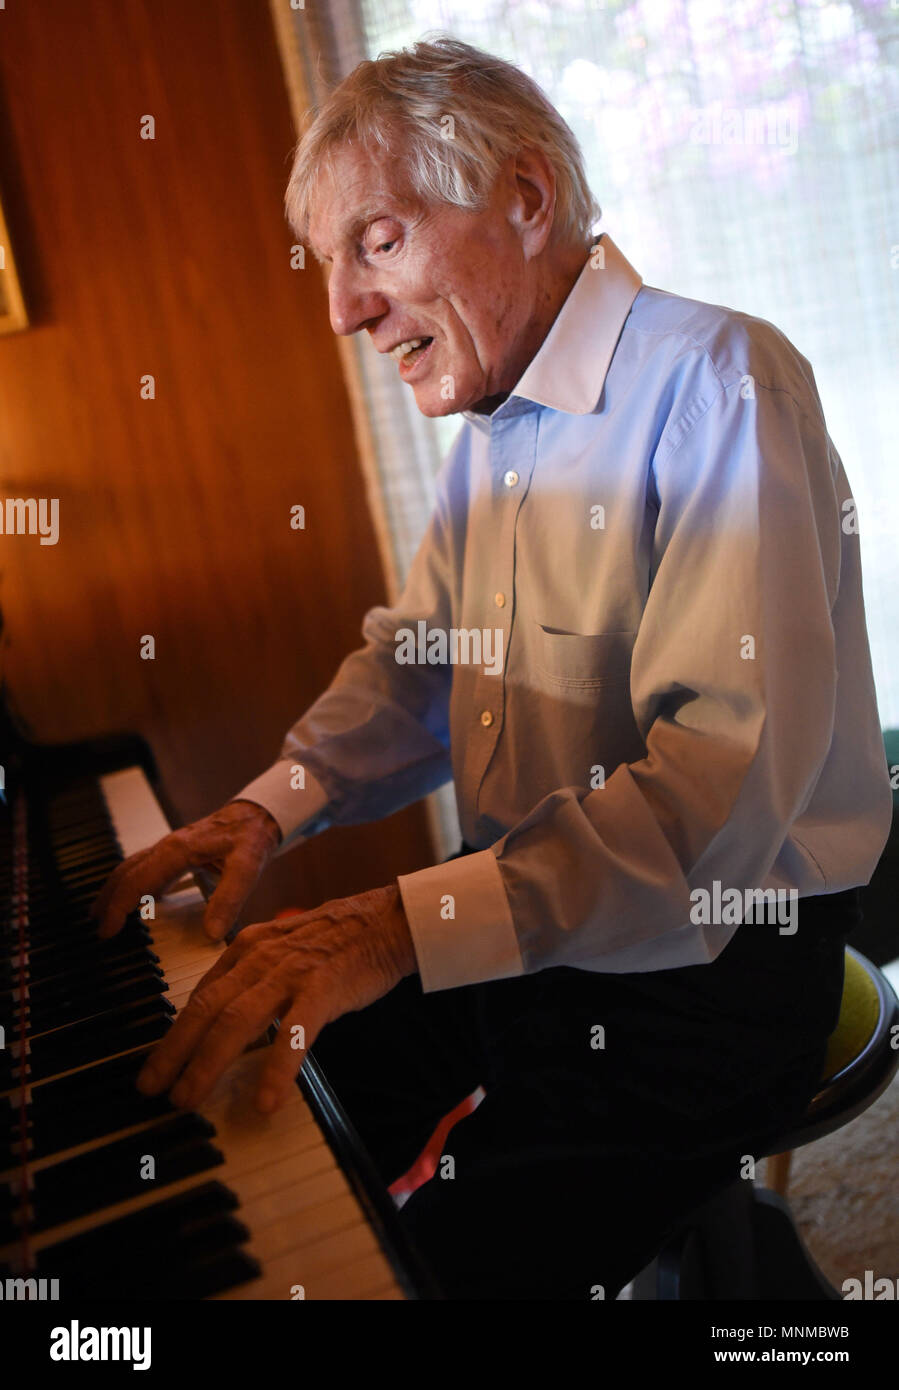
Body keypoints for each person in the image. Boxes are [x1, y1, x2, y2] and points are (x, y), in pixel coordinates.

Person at [93, 38, 892, 1299]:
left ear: (522, 198)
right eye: (328, 264)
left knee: (418, 1269)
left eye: (377, 242)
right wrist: (270, 806)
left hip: (714, 969)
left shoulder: (718, 384)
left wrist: (390, 924)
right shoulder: (493, 421)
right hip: (531, 928)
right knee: (243, 1093)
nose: (342, 311)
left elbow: (712, 812)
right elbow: (418, 663)